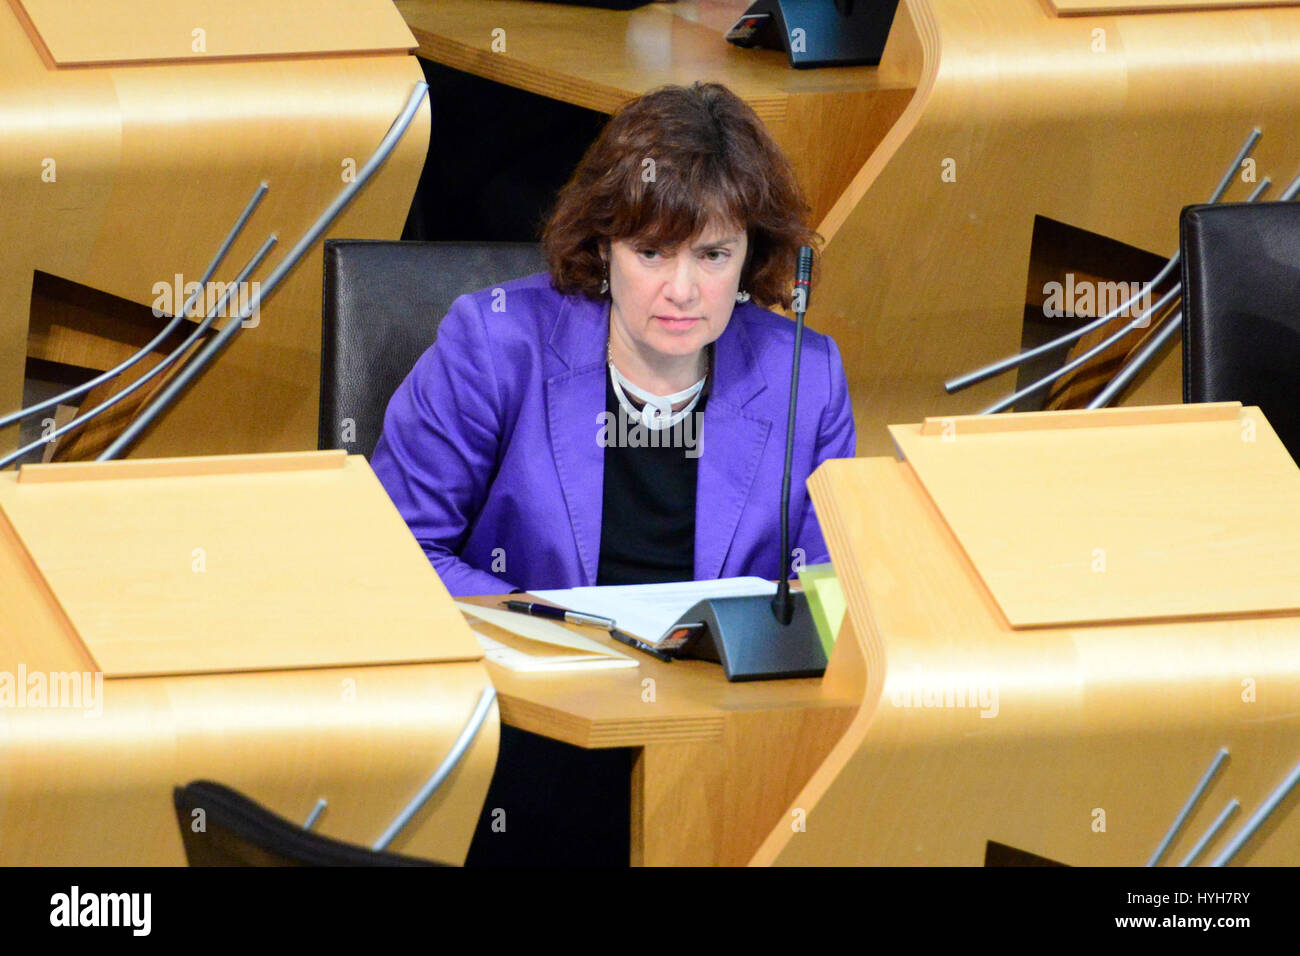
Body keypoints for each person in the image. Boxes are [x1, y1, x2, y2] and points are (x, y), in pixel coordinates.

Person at [371, 81, 856, 598]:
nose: (683, 291)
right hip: (540, 664)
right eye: (653, 253)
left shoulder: (808, 376)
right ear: (604, 245)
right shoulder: (495, 344)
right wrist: (549, 630)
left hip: (717, 678)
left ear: (749, 254)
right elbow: (395, 552)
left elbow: (827, 588)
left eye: (713, 256)